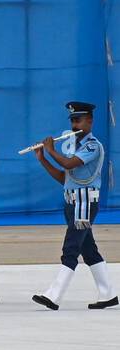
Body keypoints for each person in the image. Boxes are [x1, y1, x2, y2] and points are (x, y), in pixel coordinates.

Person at [32, 101, 115, 310]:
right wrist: (43, 158)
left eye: (78, 120)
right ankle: (107, 294)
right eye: (72, 121)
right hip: (73, 203)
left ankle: (54, 295)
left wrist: (51, 150)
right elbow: (64, 177)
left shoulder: (92, 146)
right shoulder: (74, 148)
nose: (74, 125)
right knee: (89, 251)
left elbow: (68, 165)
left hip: (85, 203)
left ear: (90, 121)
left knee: (71, 248)